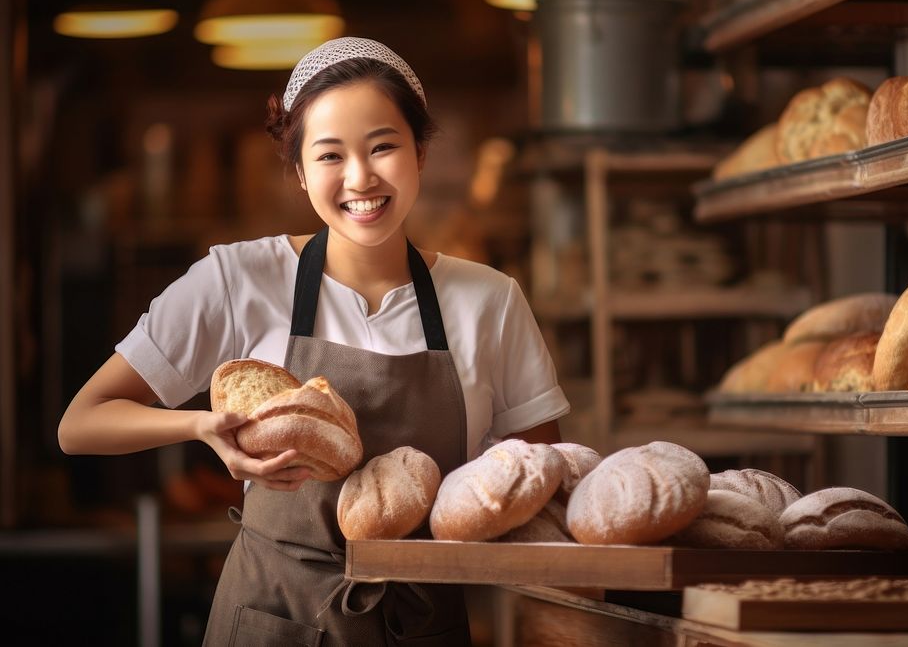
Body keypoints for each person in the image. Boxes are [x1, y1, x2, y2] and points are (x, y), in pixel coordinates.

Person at [58, 37, 569, 645]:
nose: (361, 177)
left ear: (421, 153)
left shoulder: (490, 301)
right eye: (330, 156)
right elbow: (81, 423)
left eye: (384, 146)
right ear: (300, 172)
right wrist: (201, 429)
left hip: (422, 623)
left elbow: (543, 485)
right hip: (273, 618)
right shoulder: (237, 279)